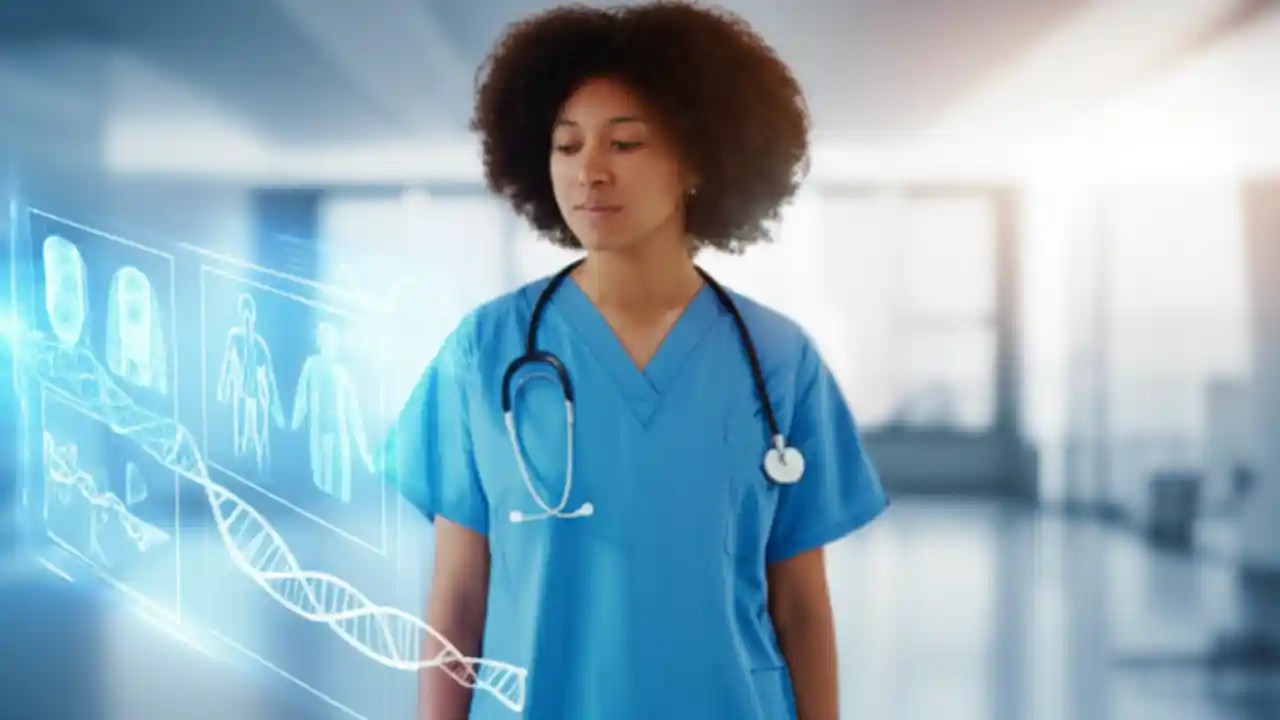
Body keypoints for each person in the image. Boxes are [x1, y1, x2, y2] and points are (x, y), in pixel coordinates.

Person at [403, 3, 888, 718]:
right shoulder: (484, 352)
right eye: (566, 147)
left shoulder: (779, 360)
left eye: (625, 144)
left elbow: (801, 609)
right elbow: (458, 598)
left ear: (697, 160)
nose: (589, 172)